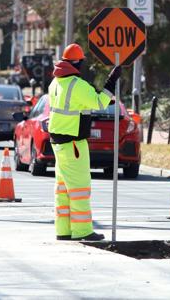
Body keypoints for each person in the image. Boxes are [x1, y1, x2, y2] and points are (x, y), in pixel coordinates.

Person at [49, 43, 121, 241]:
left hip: (58, 142)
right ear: (78, 63)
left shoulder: (55, 83)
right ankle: (82, 231)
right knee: (79, 188)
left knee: (63, 189)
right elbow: (99, 102)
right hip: (73, 143)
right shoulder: (76, 84)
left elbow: (74, 106)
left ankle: (63, 230)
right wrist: (111, 81)